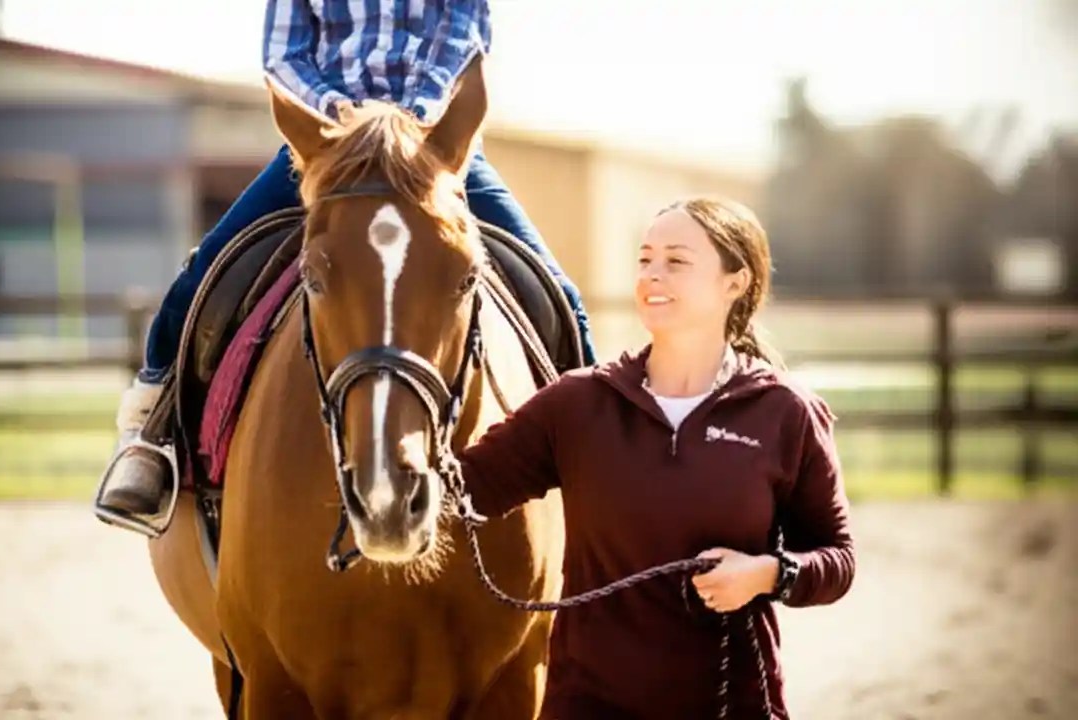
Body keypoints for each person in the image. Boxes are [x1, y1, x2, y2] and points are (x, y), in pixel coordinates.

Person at [94, 0, 597, 532]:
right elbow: (284, 56)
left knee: (556, 291)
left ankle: (598, 451)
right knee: (203, 275)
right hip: (328, 145)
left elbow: (464, 35)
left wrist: (412, 116)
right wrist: (343, 118)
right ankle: (150, 436)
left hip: (430, 144)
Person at [455, 196, 856, 718]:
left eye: (676, 261)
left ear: (735, 282)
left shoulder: (785, 412)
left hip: (731, 704)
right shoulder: (577, 403)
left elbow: (837, 559)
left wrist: (766, 574)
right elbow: (465, 489)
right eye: (645, 260)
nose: (652, 275)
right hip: (589, 706)